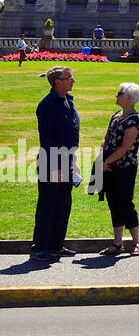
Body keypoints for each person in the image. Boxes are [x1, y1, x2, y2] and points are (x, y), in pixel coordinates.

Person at [32, 66, 80, 262]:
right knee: (48, 205)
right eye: (69, 78)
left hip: (67, 160)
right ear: (57, 82)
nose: (73, 80)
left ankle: (55, 245)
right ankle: (39, 247)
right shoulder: (47, 105)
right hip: (51, 163)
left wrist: (73, 161)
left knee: (63, 204)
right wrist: (56, 167)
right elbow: (47, 140)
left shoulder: (68, 101)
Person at [98, 81, 139, 256]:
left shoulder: (133, 120)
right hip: (109, 166)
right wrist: (102, 156)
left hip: (124, 167)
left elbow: (125, 147)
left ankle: (136, 242)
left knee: (125, 202)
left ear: (129, 98)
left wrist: (107, 162)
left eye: (120, 93)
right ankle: (117, 243)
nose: (116, 95)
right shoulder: (116, 116)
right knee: (113, 203)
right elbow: (107, 138)